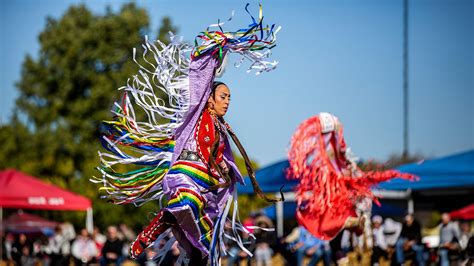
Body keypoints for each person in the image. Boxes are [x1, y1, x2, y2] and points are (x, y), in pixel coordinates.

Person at [91, 4, 282, 266]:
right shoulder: (197, 112)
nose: (227, 102)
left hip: (203, 184)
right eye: (223, 96)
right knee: (187, 203)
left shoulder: (222, 130)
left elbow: (220, 162)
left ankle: (184, 238)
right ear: (210, 99)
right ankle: (159, 223)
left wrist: (225, 172)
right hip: (184, 174)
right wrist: (219, 48)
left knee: (203, 248)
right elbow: (200, 79)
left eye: (230, 98)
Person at [287, 113, 416, 241]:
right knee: (330, 220)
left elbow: (356, 173)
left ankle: (352, 227)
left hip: (343, 198)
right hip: (341, 198)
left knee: (328, 221)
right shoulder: (336, 169)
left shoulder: (342, 171)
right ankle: (351, 228)